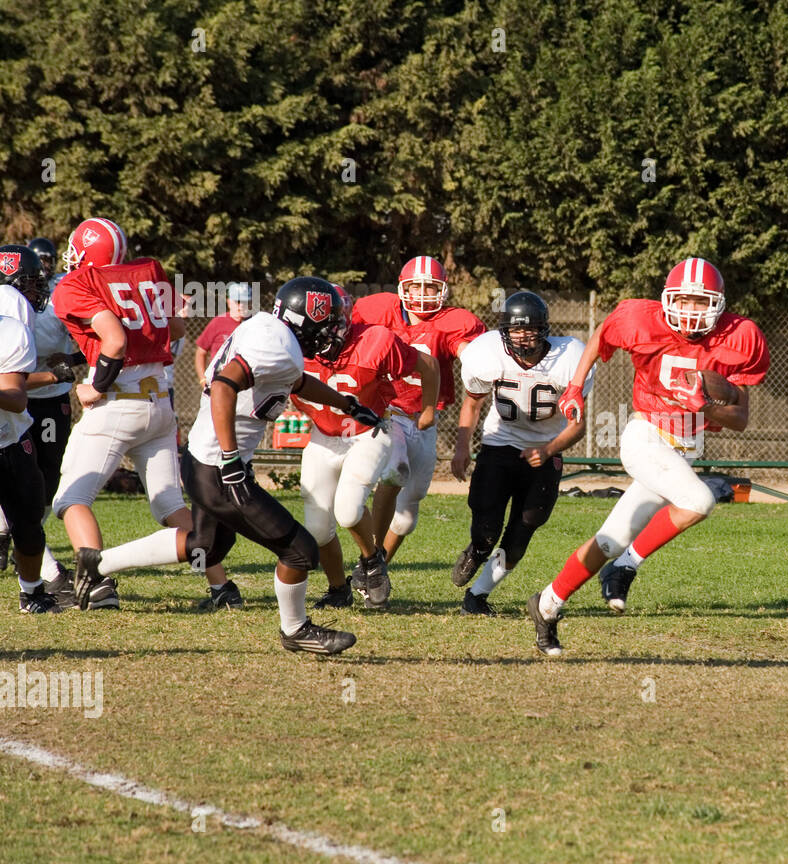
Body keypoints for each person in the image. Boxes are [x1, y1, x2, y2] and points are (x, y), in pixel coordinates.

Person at [73, 277, 380, 653]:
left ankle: (96, 563)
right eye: (328, 321)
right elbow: (223, 385)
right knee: (300, 550)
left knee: (206, 547)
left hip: (203, 460)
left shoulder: (268, 330)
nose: (333, 330)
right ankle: (296, 630)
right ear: (306, 319)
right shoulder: (277, 345)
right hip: (219, 467)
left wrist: (345, 404)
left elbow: (296, 382)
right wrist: (232, 458)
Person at [526, 258, 770, 656]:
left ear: (718, 304)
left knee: (610, 539)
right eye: (684, 301)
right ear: (668, 299)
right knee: (699, 500)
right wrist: (574, 386)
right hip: (646, 434)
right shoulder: (640, 318)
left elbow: (740, 418)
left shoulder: (741, 335)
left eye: (700, 302)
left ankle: (548, 604)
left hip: (685, 447)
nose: (691, 311)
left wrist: (705, 405)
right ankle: (626, 566)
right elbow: (603, 332)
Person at [49, 216, 235, 609]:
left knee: (71, 498)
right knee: (169, 506)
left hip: (118, 400)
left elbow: (114, 341)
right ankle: (222, 589)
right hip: (160, 404)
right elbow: (178, 328)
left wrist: (93, 386)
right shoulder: (147, 271)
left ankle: (97, 586)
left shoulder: (77, 284)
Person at [291, 293, 438, 609]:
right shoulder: (289, 349)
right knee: (317, 529)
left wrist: (428, 409)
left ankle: (372, 561)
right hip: (324, 436)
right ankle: (338, 589)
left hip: (368, 432)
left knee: (348, 510)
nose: (308, 339)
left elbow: (429, 364)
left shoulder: (374, 340)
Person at [449, 292, 592, 614]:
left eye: (530, 330)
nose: (523, 337)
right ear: (504, 332)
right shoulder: (486, 353)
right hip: (500, 442)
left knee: (523, 530)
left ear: (544, 330)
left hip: (545, 448)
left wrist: (549, 448)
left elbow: (578, 426)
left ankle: (477, 597)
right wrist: (462, 447)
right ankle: (477, 549)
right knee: (486, 528)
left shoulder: (569, 357)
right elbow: (473, 402)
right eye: (516, 330)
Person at [353, 256, 484, 564]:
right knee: (395, 471)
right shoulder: (381, 311)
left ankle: (378, 565)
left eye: (430, 287)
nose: (423, 294)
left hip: (426, 419)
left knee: (408, 515)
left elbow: (472, 358)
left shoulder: (454, 322)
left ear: (443, 290)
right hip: (389, 412)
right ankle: (368, 561)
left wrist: (475, 359)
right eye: (417, 286)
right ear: (403, 288)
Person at [0, 242, 82, 603]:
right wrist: (51, 377)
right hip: (14, 430)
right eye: (31, 282)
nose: (39, 290)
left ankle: (33, 589)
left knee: (30, 514)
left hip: (10, 432)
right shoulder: (15, 314)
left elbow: (15, 395)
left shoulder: (12, 328)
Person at [193, 283, 254, 387]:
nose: (242, 305)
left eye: (245, 302)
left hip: (246, 385)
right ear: (229, 302)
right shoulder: (218, 322)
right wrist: (203, 380)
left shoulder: (255, 324)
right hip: (219, 383)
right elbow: (200, 352)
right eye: (238, 302)